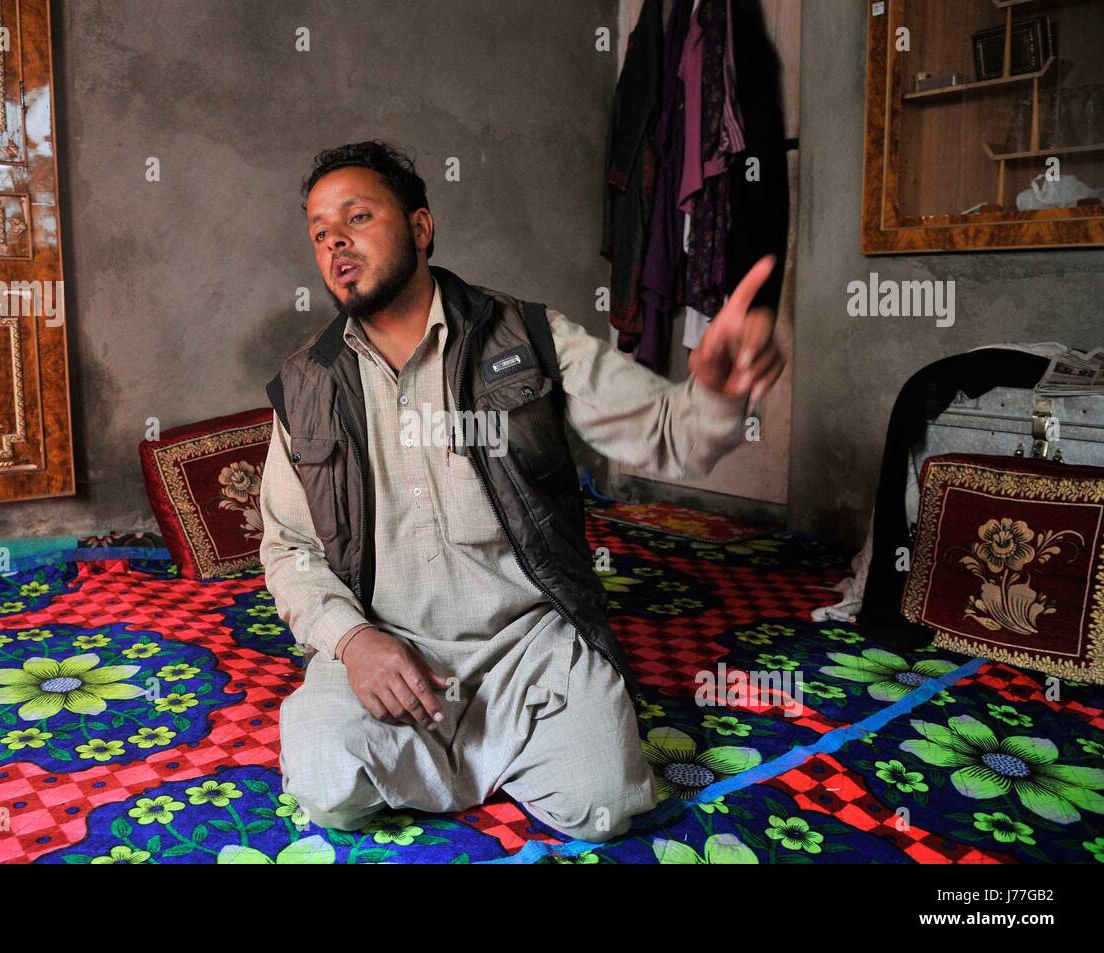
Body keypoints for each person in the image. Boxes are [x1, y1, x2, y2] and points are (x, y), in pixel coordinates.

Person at [260, 140, 784, 841]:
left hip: (529, 643)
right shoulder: (306, 384)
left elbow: (664, 432)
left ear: (421, 227)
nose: (337, 245)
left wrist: (715, 393)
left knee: (602, 804)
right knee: (324, 782)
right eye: (321, 233)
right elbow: (289, 548)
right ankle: (471, 753)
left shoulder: (528, 337)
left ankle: (477, 752)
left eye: (358, 217)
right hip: (391, 648)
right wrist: (352, 642)